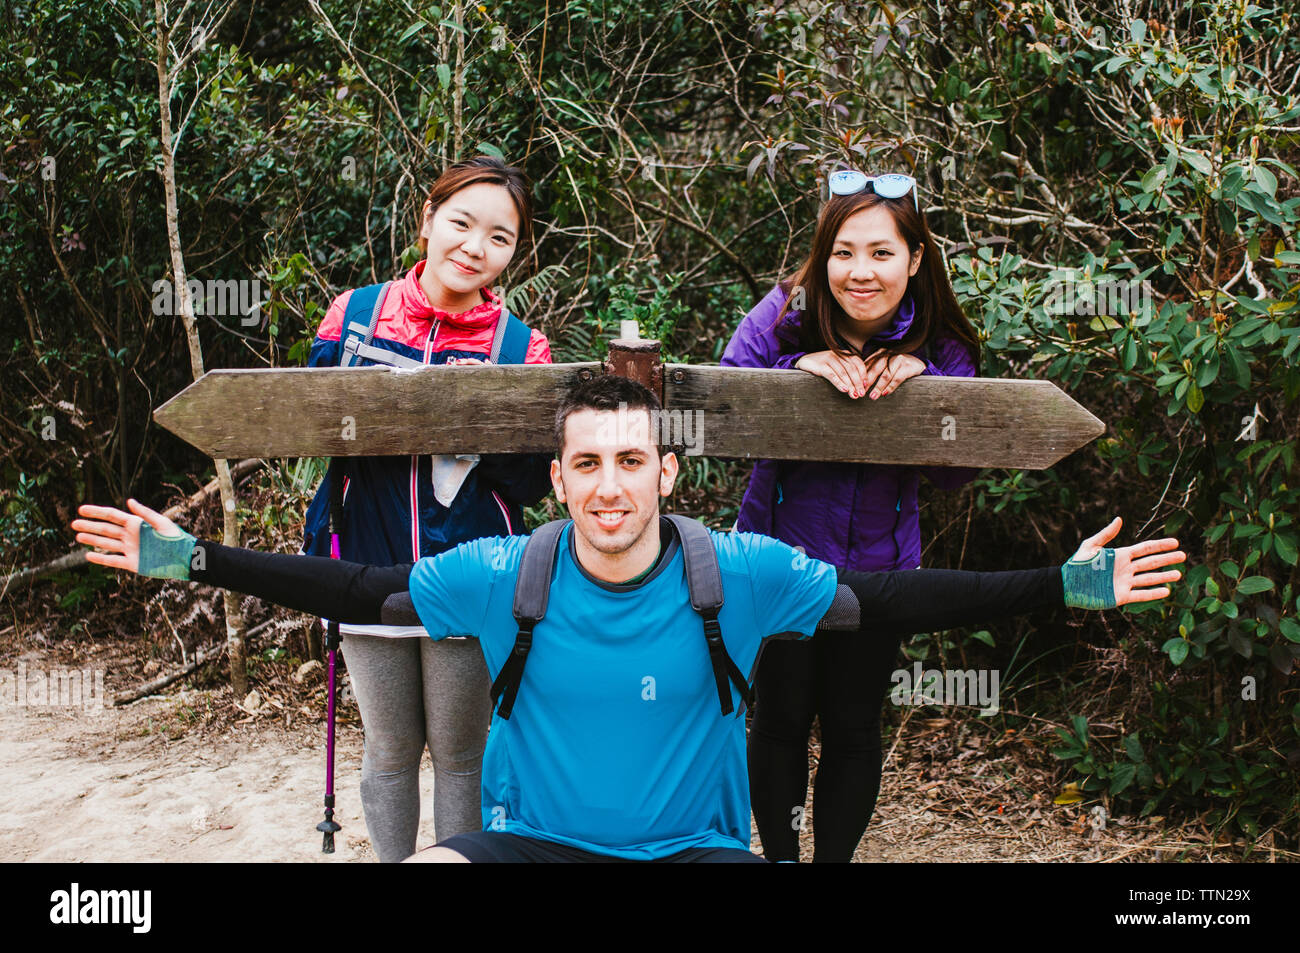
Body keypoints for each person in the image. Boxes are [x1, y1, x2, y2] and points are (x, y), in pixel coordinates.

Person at [72, 376, 1184, 863]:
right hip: (528, 842)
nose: (612, 486)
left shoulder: (732, 571)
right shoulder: (507, 568)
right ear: (559, 477)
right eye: (589, 464)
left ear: (666, 468)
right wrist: (195, 558)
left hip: (690, 851)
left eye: (633, 461)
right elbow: (363, 591)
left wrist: (1061, 583)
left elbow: (885, 599)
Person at [722, 169, 983, 862]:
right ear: (822, 254)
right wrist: (795, 366)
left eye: (880, 252)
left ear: (915, 258)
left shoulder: (940, 339)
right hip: (778, 557)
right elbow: (725, 409)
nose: (859, 271)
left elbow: (958, 473)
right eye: (843, 251)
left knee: (852, 727)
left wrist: (927, 395)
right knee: (777, 721)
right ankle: (780, 855)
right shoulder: (784, 311)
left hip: (883, 567)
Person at [298, 156, 553, 861]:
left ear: (513, 252)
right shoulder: (353, 314)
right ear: (427, 220)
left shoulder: (519, 347)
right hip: (364, 561)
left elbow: (532, 482)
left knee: (460, 750)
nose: (475, 247)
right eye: (462, 223)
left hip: (472, 572)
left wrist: (482, 409)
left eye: (499, 237)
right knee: (389, 743)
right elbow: (311, 430)